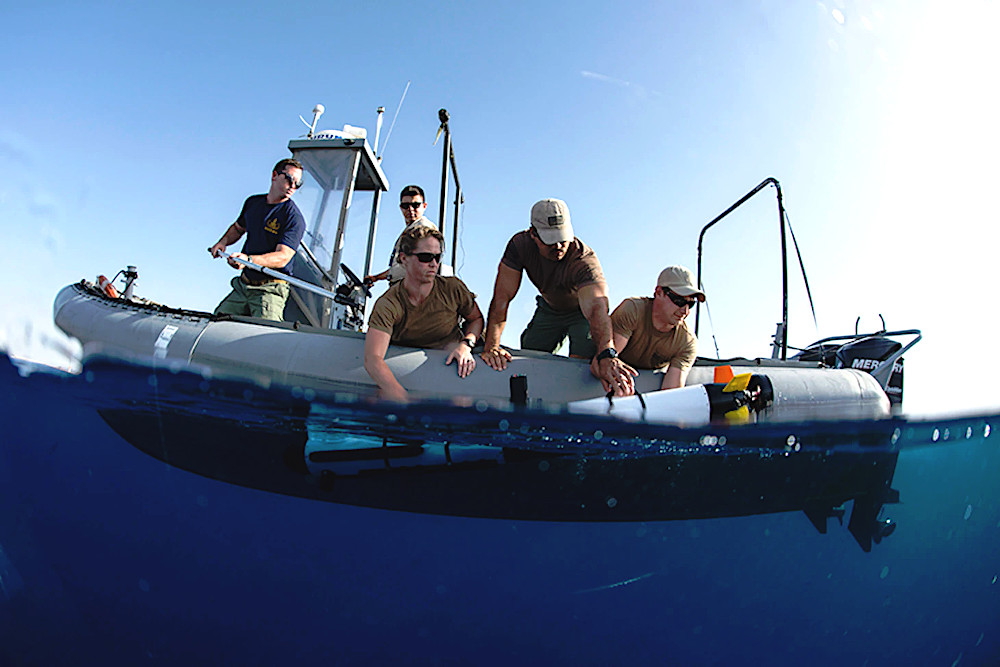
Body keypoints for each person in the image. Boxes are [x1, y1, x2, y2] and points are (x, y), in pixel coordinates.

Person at [480, 198, 636, 395]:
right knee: (530, 353)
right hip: (549, 308)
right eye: (551, 240)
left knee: (582, 362)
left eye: (563, 237)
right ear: (533, 234)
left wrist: (607, 353)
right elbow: (502, 297)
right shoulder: (519, 246)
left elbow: (597, 308)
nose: (559, 246)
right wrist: (492, 345)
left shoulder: (584, 260)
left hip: (581, 313)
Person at [364, 226, 484, 401]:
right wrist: (401, 397)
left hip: (452, 362)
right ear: (404, 258)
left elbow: (476, 318)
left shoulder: (453, 289)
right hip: (406, 368)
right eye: (426, 257)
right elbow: (373, 358)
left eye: (437, 257)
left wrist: (466, 345)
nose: (434, 264)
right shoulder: (389, 304)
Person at [209, 158, 306, 321]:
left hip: (271, 289)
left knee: (264, 334)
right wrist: (223, 242)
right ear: (274, 175)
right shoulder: (253, 203)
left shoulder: (294, 218)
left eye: (298, 183)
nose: (293, 186)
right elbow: (238, 228)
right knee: (216, 324)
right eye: (290, 179)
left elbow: (283, 257)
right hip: (243, 286)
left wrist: (249, 260)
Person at [593, 265, 704, 395]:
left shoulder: (687, 342)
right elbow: (602, 364)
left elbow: (671, 394)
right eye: (679, 300)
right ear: (659, 292)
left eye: (691, 304)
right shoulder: (632, 310)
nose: (685, 311)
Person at [364, 184, 438, 286]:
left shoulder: (422, 228)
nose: (410, 209)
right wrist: (376, 278)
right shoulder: (410, 230)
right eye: (405, 206)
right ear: (400, 207)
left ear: (424, 206)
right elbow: (400, 266)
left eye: (415, 205)